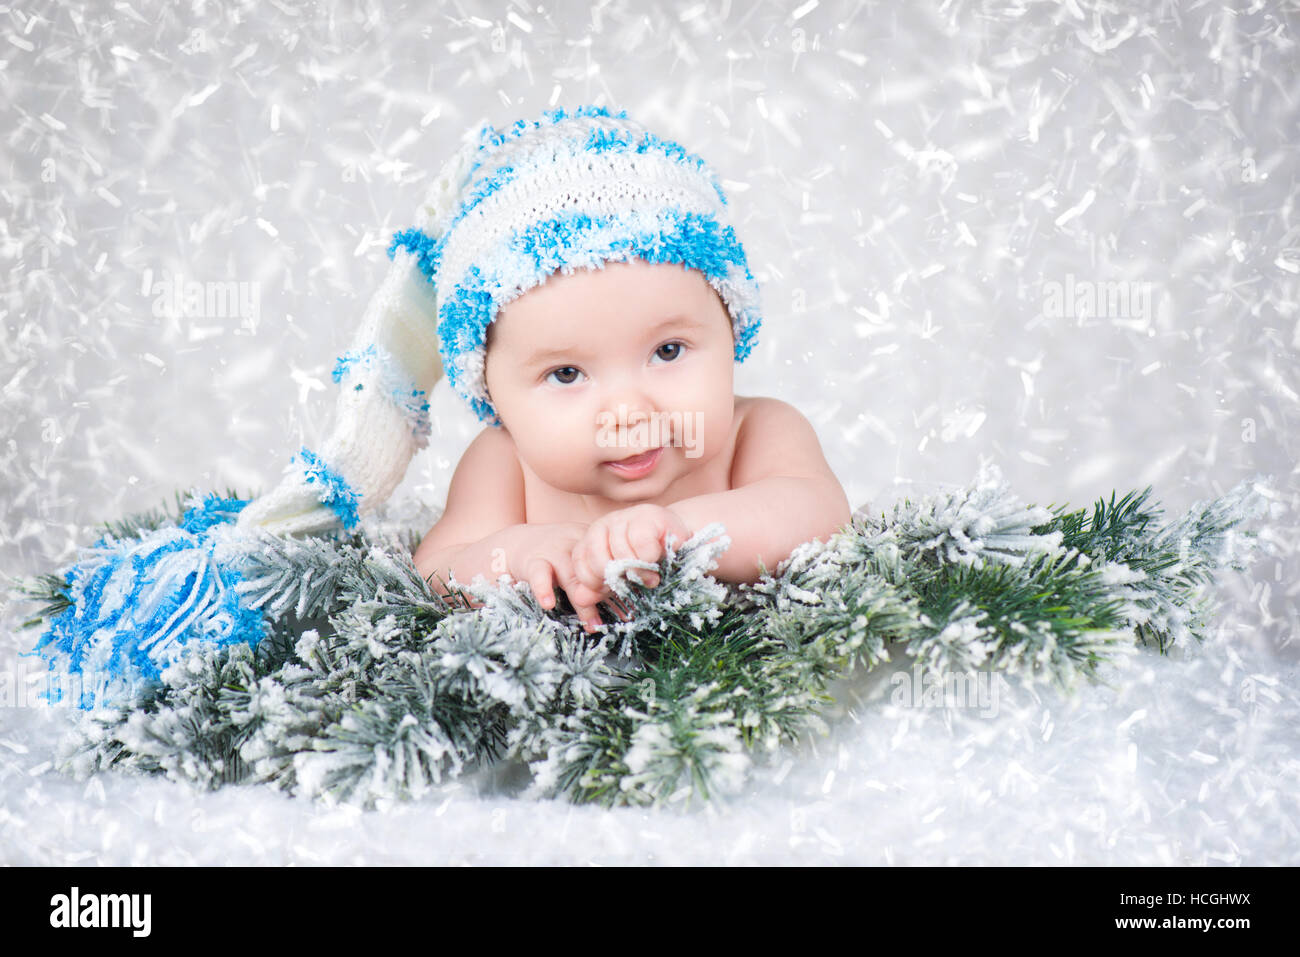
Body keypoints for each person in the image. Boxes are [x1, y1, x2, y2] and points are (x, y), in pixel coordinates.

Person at [237, 105, 850, 632]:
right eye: (566, 375)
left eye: (667, 352)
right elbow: (438, 567)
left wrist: (676, 532)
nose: (630, 413)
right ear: (492, 394)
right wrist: (515, 552)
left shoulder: (759, 431)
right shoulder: (506, 461)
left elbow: (816, 512)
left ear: (731, 329)